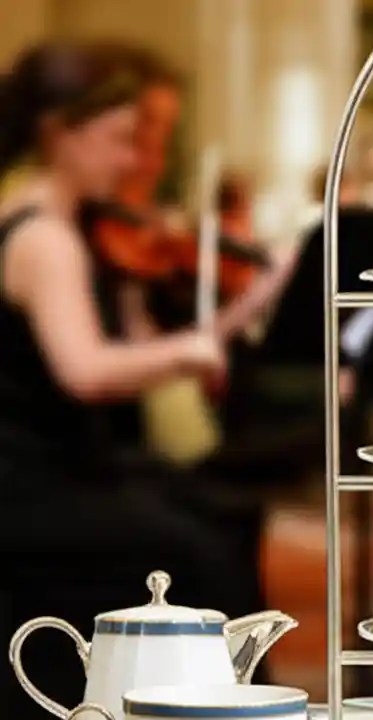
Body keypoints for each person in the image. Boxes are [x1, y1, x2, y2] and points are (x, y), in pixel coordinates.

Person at [0, 43, 243, 719]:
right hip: (27, 484)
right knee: (197, 549)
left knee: (210, 509)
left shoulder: (66, 224)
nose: (130, 161)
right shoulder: (43, 237)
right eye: (116, 140)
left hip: (63, 467)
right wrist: (186, 354)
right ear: (58, 135)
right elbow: (85, 373)